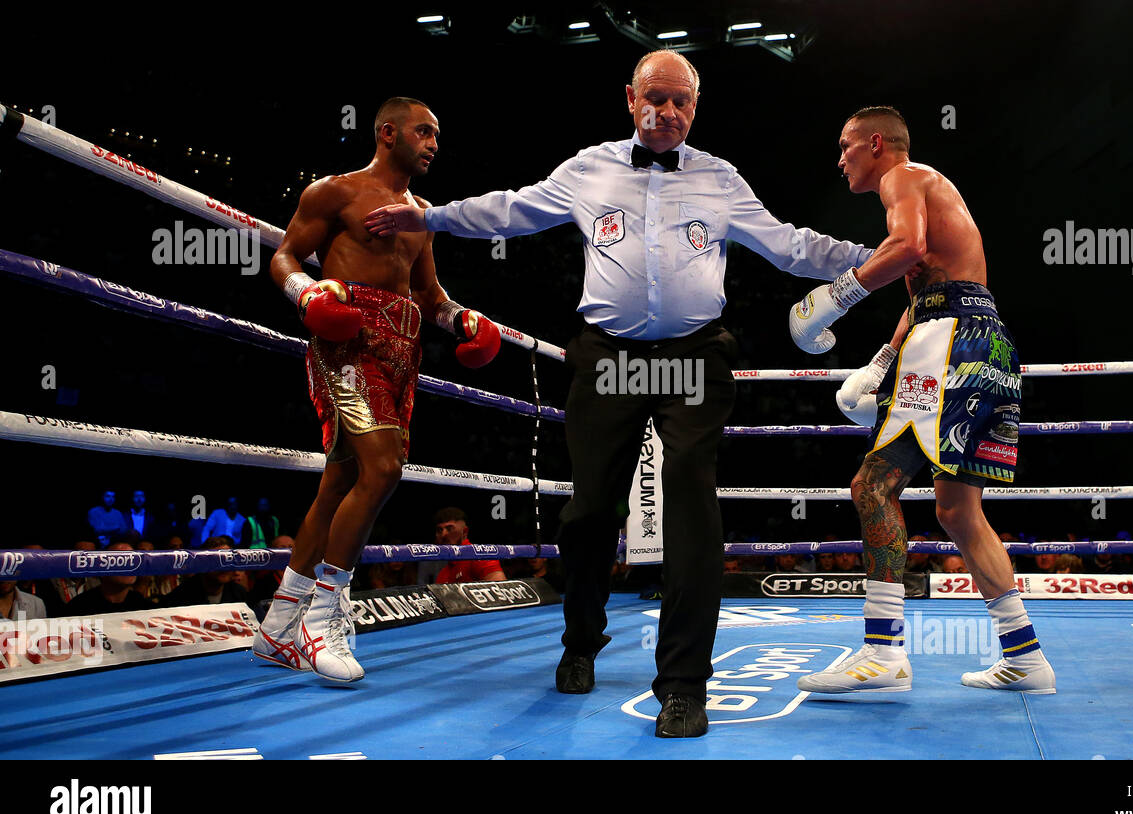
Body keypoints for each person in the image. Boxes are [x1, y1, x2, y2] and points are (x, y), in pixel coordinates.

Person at [365, 51, 870, 737]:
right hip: (609, 356)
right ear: (630, 97)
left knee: (691, 491)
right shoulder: (588, 167)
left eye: (680, 103)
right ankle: (581, 639)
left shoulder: (719, 178)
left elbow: (788, 246)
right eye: (653, 99)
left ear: (696, 106)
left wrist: (873, 254)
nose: (666, 113)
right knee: (590, 512)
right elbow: (511, 211)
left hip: (694, 354)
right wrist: (428, 219)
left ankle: (685, 683)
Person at [790, 106, 1055, 696]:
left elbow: (907, 248)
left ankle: (882, 652)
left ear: (876, 143)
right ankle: (1026, 658)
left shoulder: (904, 177)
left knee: (872, 485)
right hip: (983, 341)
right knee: (958, 511)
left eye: (846, 147)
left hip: (949, 341)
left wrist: (834, 297)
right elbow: (930, 287)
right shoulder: (932, 190)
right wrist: (884, 361)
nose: (840, 160)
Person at [249, 96, 501, 683]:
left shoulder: (421, 213)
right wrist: (308, 295)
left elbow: (431, 297)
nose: (434, 143)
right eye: (424, 132)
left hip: (403, 351)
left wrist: (464, 320)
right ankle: (323, 613)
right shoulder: (334, 192)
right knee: (384, 469)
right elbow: (285, 256)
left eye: (438, 134)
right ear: (388, 133)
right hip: (348, 341)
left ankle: (276, 628)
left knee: (342, 478)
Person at [64, 544, 154, 615]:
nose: (129, 565)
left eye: (132, 560)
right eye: (120, 560)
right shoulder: (80, 607)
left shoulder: (143, 606)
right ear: (103, 567)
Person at [428, 507, 505, 584]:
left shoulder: (480, 555)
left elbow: (500, 590)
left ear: (464, 532)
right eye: (439, 530)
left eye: (449, 529)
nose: (443, 535)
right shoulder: (443, 574)